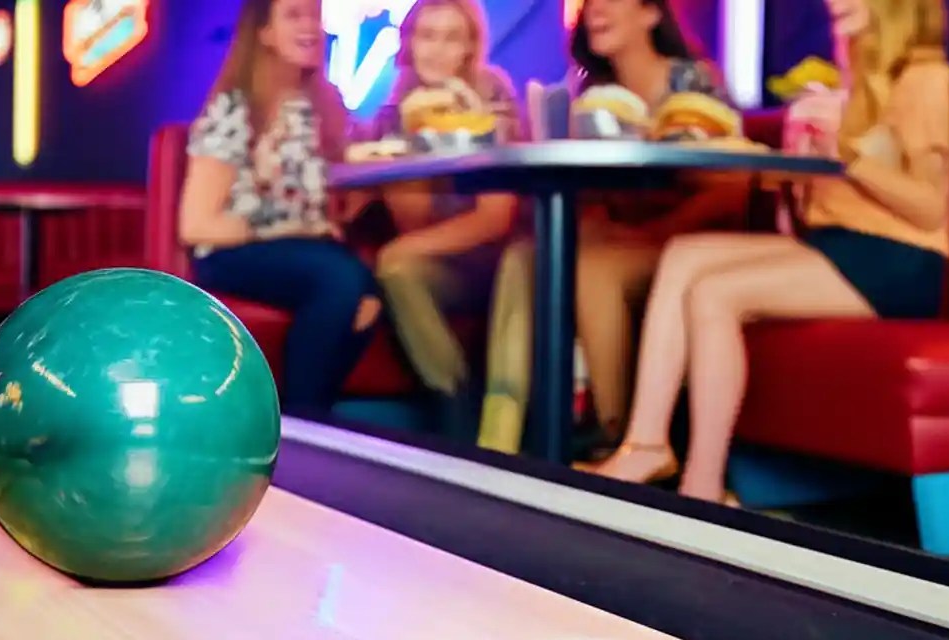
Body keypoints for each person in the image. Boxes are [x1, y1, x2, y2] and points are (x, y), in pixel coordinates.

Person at [591, 0, 949, 504]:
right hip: (840, 245)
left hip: (898, 262)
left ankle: (704, 484)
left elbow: (929, 208)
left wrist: (844, 152)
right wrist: (797, 163)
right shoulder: (850, 77)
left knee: (715, 293)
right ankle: (647, 443)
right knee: (683, 255)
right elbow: (818, 211)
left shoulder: (922, 75)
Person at [477, 0, 750, 456]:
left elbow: (732, 190)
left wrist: (653, 231)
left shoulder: (691, 82)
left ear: (651, 14)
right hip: (626, 238)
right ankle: (506, 438)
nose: (595, 11)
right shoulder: (593, 95)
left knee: (593, 269)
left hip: (692, 241)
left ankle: (617, 434)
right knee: (526, 254)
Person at [179, 0, 381, 416]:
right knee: (340, 278)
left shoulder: (326, 105)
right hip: (231, 249)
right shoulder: (235, 108)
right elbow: (196, 225)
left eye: (314, 14)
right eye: (294, 15)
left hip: (303, 248)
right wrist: (296, 228)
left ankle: (307, 418)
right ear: (264, 33)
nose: (310, 25)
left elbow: (323, 204)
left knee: (372, 292)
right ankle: (303, 426)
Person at [367, 0, 523, 439]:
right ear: (410, 42)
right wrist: (414, 137)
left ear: (470, 48)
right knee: (397, 269)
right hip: (443, 269)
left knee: (397, 258)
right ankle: (455, 409)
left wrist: (465, 122)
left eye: (452, 37)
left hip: (502, 263)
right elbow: (411, 222)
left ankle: (493, 427)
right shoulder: (394, 112)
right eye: (427, 35)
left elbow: (497, 219)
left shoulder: (492, 98)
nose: (436, 50)